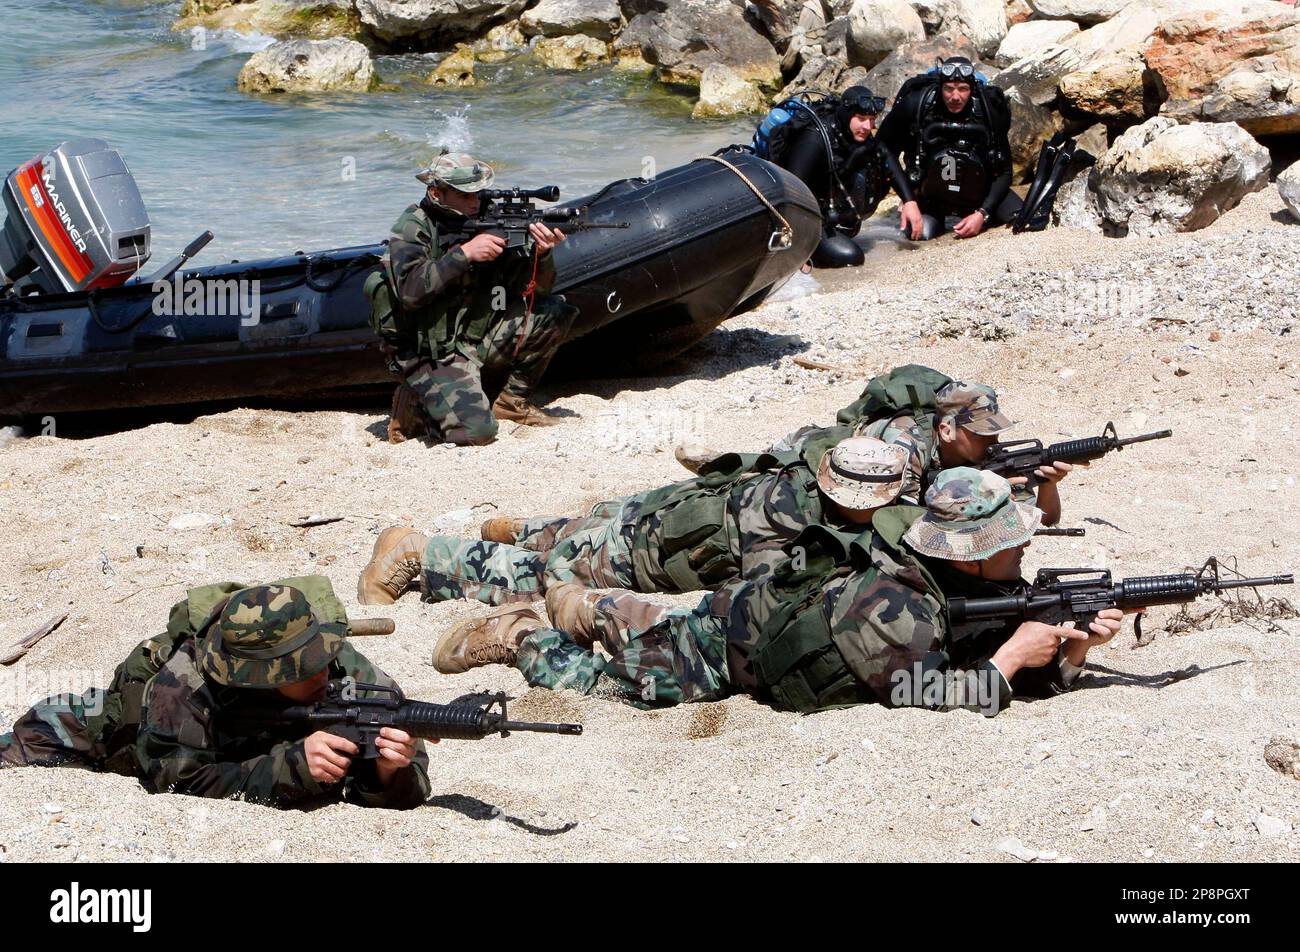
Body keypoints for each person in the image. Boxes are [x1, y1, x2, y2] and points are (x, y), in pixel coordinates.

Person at [429, 468, 1124, 716]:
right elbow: (931, 694)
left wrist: (1070, 652)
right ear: (970, 556)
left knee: (633, 623)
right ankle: (525, 629)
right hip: (726, 648)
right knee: (607, 685)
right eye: (1008, 539)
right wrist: (1015, 657)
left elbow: (1002, 665)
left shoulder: (953, 586)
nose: (1024, 545)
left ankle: (590, 607)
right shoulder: (895, 604)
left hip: (757, 616)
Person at [0, 581, 432, 809]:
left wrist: (387, 774)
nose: (321, 670)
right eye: (301, 669)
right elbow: (175, 782)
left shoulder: (345, 667)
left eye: (319, 656)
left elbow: (407, 784)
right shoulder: (183, 684)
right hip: (88, 736)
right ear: (256, 676)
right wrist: (293, 768)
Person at [355, 436, 911, 609]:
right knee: (544, 575)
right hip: (642, 552)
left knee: (579, 532)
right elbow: (766, 596)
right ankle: (419, 554)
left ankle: (524, 525)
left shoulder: (804, 483)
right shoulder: (783, 517)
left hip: (657, 513)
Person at [676, 366, 1074, 526]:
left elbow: (1041, 519)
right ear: (948, 430)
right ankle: (721, 464)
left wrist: (1048, 485)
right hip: (832, 452)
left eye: (995, 430)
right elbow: (902, 518)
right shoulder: (908, 443)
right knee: (773, 469)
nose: (993, 440)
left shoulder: (988, 458)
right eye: (983, 432)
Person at [366, 152, 578, 445]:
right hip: (430, 350)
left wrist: (542, 255)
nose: (475, 202)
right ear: (437, 193)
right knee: (479, 433)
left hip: (475, 335)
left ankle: (511, 403)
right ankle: (412, 405)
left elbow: (533, 294)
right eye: (466, 195)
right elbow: (410, 293)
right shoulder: (414, 227)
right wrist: (464, 254)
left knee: (553, 312)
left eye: (479, 194)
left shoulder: (488, 221)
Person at [762, 86, 916, 267]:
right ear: (847, 114)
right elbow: (791, 192)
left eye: (872, 119)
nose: (868, 126)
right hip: (804, 220)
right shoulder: (815, 139)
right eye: (861, 119)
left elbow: (888, 158)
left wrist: (909, 201)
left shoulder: (858, 135)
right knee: (852, 257)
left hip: (829, 215)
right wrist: (796, 250)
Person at [877, 57, 1020, 241]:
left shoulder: (990, 110)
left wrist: (982, 214)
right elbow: (882, 148)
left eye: (963, 89)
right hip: (930, 197)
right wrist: (907, 198)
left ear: (972, 89)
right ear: (940, 86)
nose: (955, 97)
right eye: (949, 88)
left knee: (1023, 219)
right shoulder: (916, 104)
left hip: (978, 194)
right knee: (918, 235)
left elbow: (1006, 172)